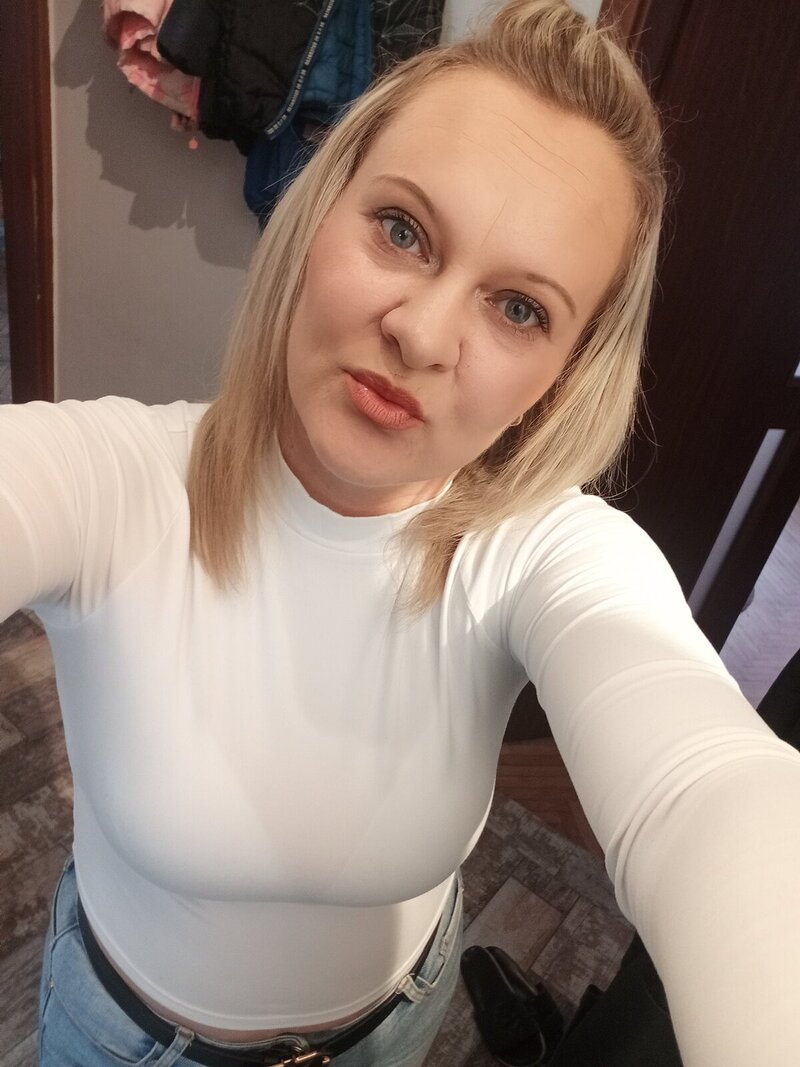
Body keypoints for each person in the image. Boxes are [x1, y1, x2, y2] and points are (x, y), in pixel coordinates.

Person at [2, 1, 798, 1064]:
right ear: (317, 213)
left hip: (394, 1023)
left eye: (519, 307)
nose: (421, 334)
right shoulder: (112, 484)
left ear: (558, 381)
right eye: (402, 229)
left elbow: (708, 789)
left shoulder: (546, 559)